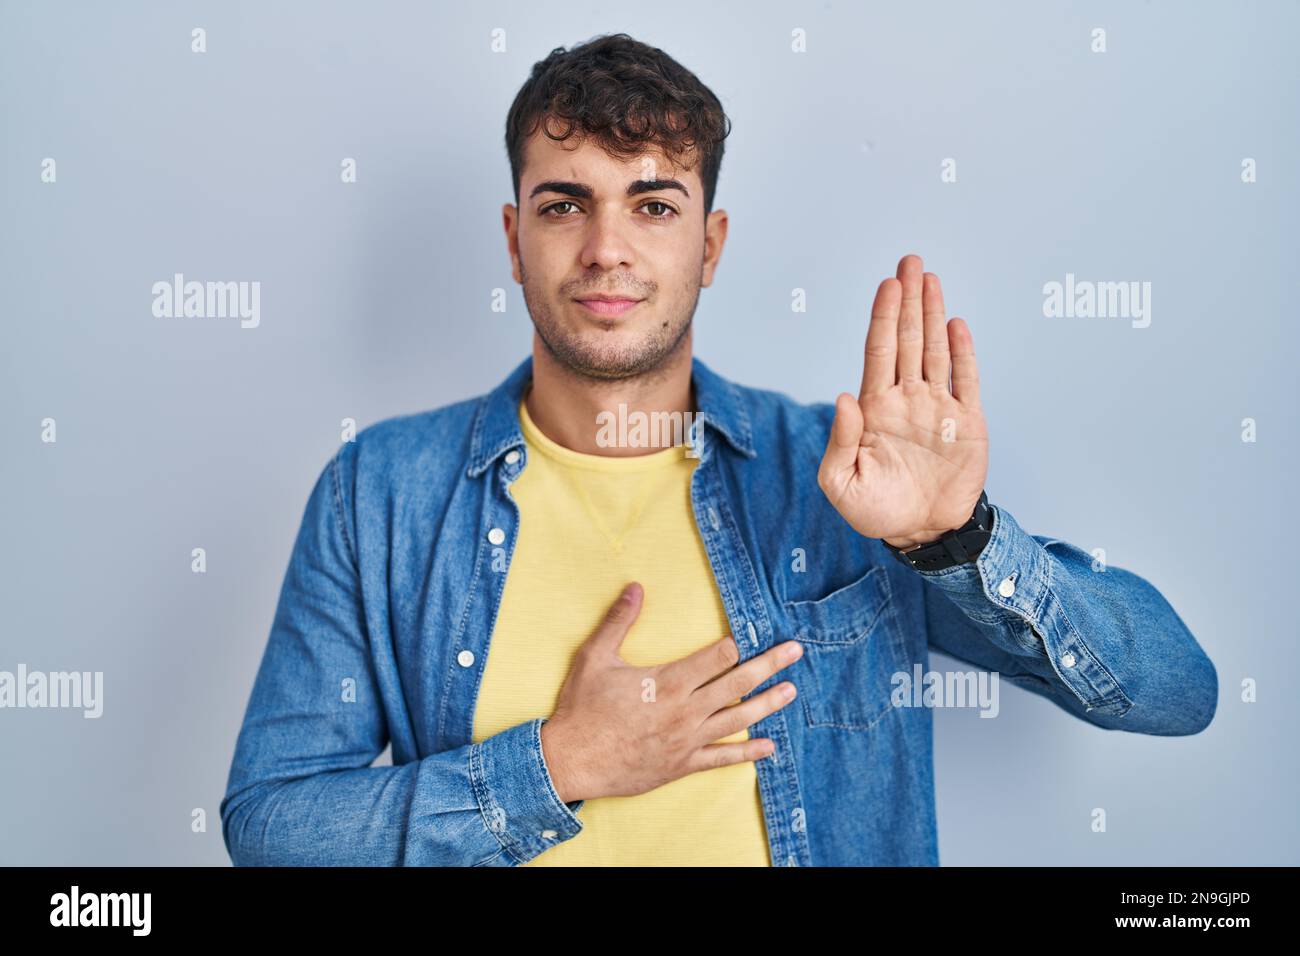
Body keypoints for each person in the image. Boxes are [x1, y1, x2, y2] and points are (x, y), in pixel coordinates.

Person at [220, 33, 1216, 867]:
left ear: (710, 244)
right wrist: (557, 763)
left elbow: (1177, 691)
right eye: (565, 203)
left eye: (653, 205)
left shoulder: (841, 481)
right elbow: (270, 820)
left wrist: (955, 539)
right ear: (514, 237)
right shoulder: (380, 492)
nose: (606, 246)